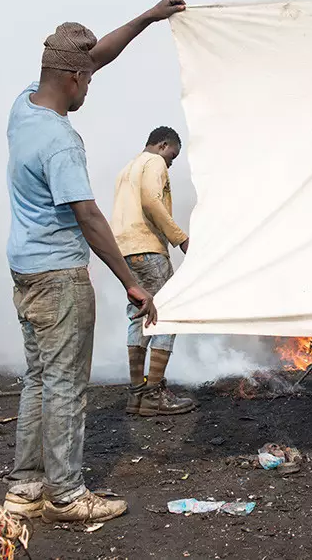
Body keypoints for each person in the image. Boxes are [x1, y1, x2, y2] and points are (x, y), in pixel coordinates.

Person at [3, 0, 185, 525]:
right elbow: (88, 215)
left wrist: (146, 20)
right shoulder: (60, 142)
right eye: (86, 79)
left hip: (26, 269)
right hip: (60, 276)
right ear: (70, 77)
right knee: (64, 384)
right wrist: (131, 282)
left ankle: (26, 489)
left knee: (38, 378)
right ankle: (65, 495)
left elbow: (91, 56)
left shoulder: (25, 107)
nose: (90, 85)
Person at [111, 126, 196, 416]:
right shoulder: (154, 162)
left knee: (138, 318)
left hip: (125, 252)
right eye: (172, 157)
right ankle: (155, 394)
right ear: (162, 145)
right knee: (166, 314)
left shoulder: (127, 168)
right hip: (148, 248)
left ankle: (136, 396)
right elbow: (151, 200)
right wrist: (180, 238)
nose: (170, 163)